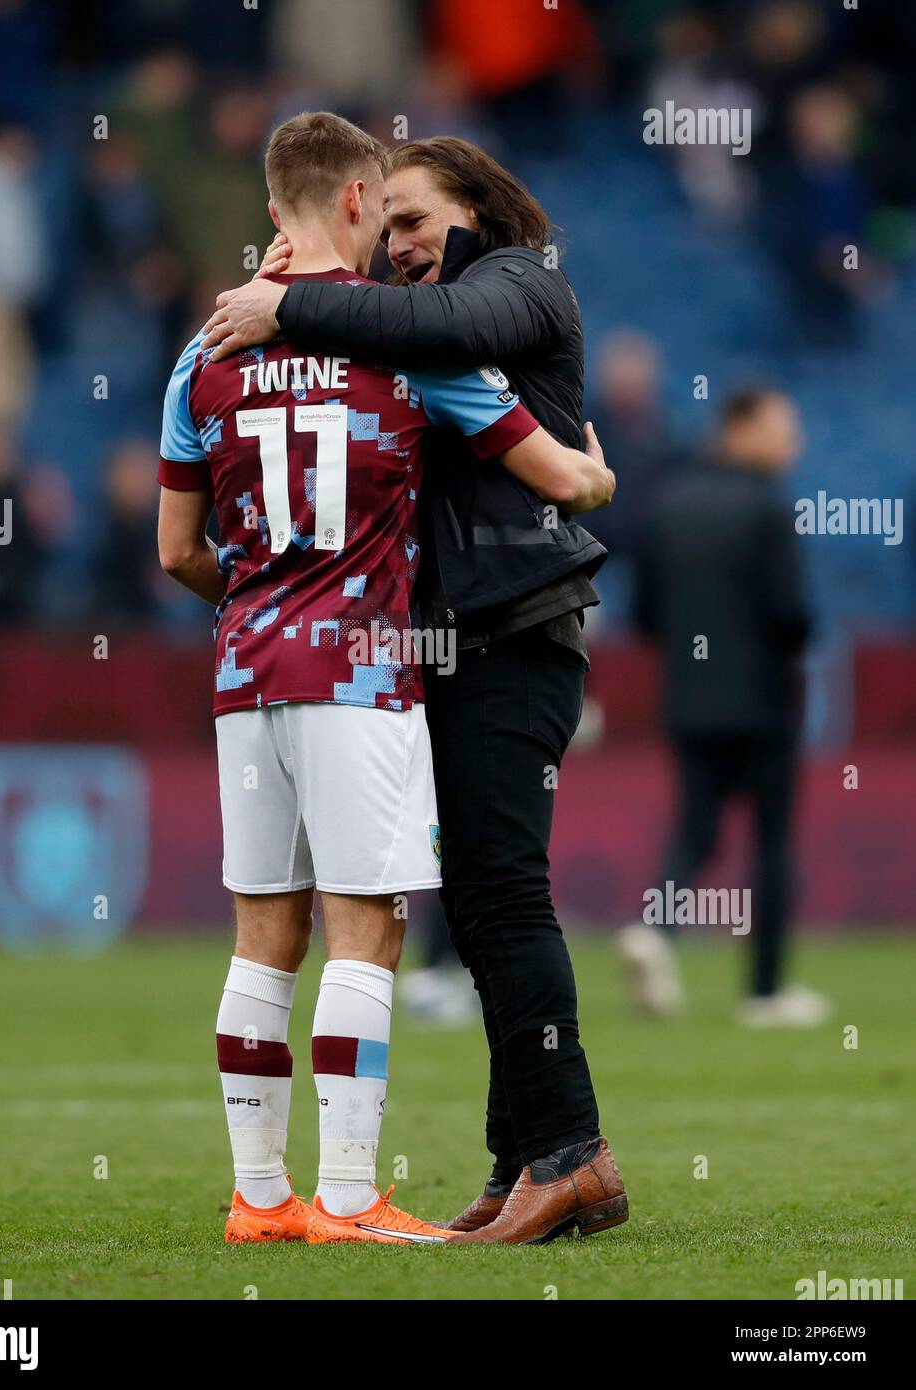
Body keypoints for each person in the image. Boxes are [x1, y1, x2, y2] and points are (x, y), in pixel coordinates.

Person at [157, 113, 614, 1246]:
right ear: (357, 202)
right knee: (372, 931)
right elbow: (560, 473)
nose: (401, 243)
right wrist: (595, 473)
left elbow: (173, 549)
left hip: (245, 666)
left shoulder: (202, 348)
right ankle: (355, 1199)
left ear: (275, 212)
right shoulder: (408, 349)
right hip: (362, 666)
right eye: (391, 215)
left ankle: (261, 1199)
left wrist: (253, 600)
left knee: (264, 936)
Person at [622, 388, 829, 1027]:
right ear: (740, 428)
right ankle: (765, 991)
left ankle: (657, 930)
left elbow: (644, 615)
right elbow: (793, 616)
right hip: (763, 702)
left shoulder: (667, 504)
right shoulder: (766, 507)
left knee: (695, 828)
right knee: (770, 841)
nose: (794, 443)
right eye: (783, 427)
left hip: (688, 698)